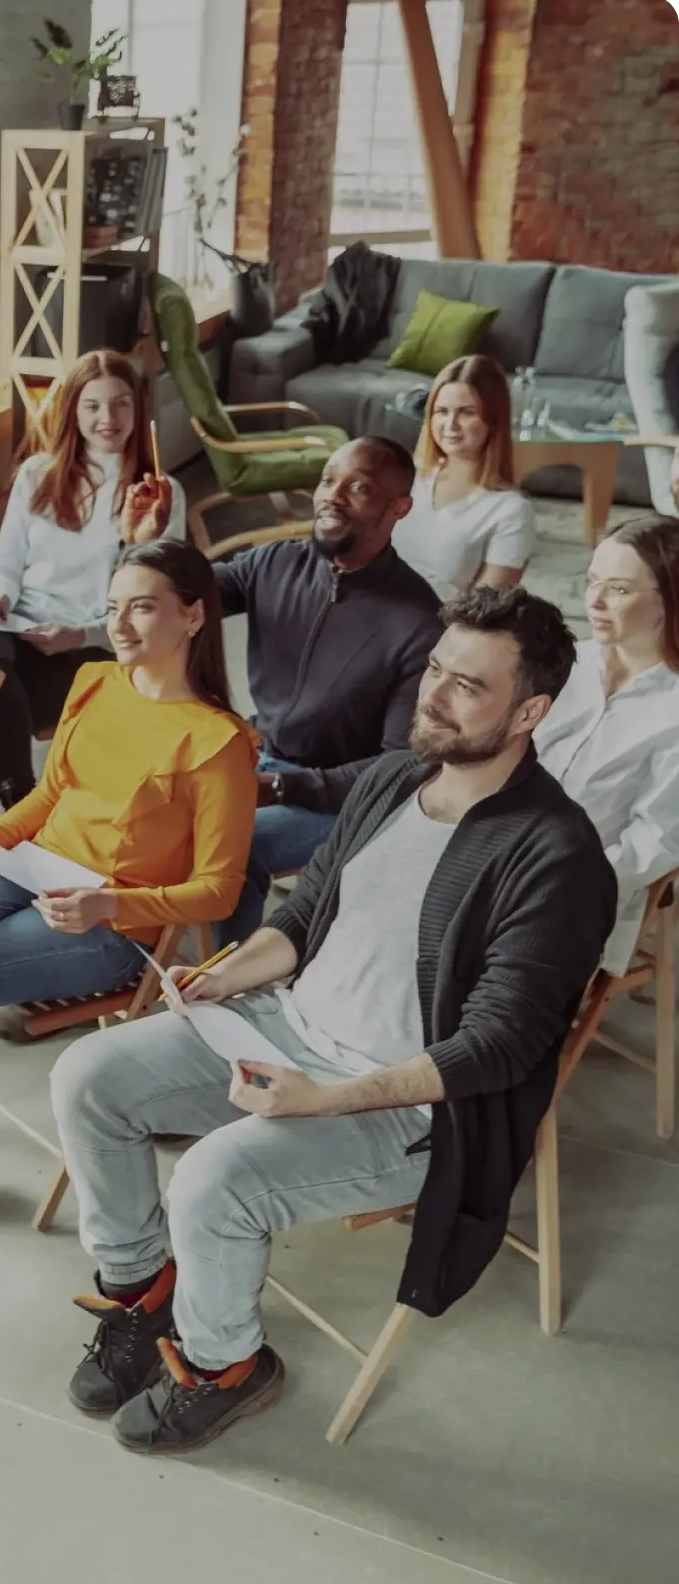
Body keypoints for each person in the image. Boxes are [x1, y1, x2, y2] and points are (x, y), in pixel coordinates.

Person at [48, 585, 615, 1456]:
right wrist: (223, 976)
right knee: (86, 1078)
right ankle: (140, 1289)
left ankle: (225, 1365)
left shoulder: (557, 855)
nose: (435, 694)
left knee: (212, 1180)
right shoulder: (393, 780)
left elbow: (499, 1045)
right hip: (280, 1030)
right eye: (436, 668)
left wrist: (329, 1098)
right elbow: (307, 917)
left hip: (403, 1108)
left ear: (530, 710)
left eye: (469, 686)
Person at [0, 540, 258, 1250]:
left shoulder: (218, 744)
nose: (122, 624)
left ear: (194, 615)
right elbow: (54, 794)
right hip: (33, 867)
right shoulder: (95, 683)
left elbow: (218, 889)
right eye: (114, 608)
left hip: (108, 926)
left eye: (143, 607)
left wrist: (111, 906)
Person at [215, 435, 444, 944]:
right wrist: (141, 538)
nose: (332, 497)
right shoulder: (274, 564)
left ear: (398, 507)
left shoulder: (417, 621)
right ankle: (129, 955)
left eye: (358, 487)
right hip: (258, 754)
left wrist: (281, 789)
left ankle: (228, 991)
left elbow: (398, 767)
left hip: (343, 798)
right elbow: (174, 595)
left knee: (235, 848)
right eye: (327, 481)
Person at [0, 350, 186, 810]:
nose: (107, 418)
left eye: (121, 404)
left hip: (93, 647)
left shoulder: (160, 495)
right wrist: (0, 598)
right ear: (73, 410)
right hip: (18, 629)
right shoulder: (36, 474)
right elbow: (6, 560)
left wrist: (80, 635)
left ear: (139, 409)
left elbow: (155, 611)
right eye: (92, 406)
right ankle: (17, 800)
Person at [534, 516, 679, 974]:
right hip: (493, 852)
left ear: (669, 601)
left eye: (618, 589)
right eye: (592, 580)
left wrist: (542, 885)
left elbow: (650, 847)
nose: (593, 600)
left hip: (568, 899)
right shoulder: (570, 661)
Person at [392, 353, 536, 601]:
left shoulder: (511, 511)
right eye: (441, 411)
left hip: (437, 632)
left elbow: (483, 615)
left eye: (466, 412)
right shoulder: (406, 477)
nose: (451, 424)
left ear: (493, 419)